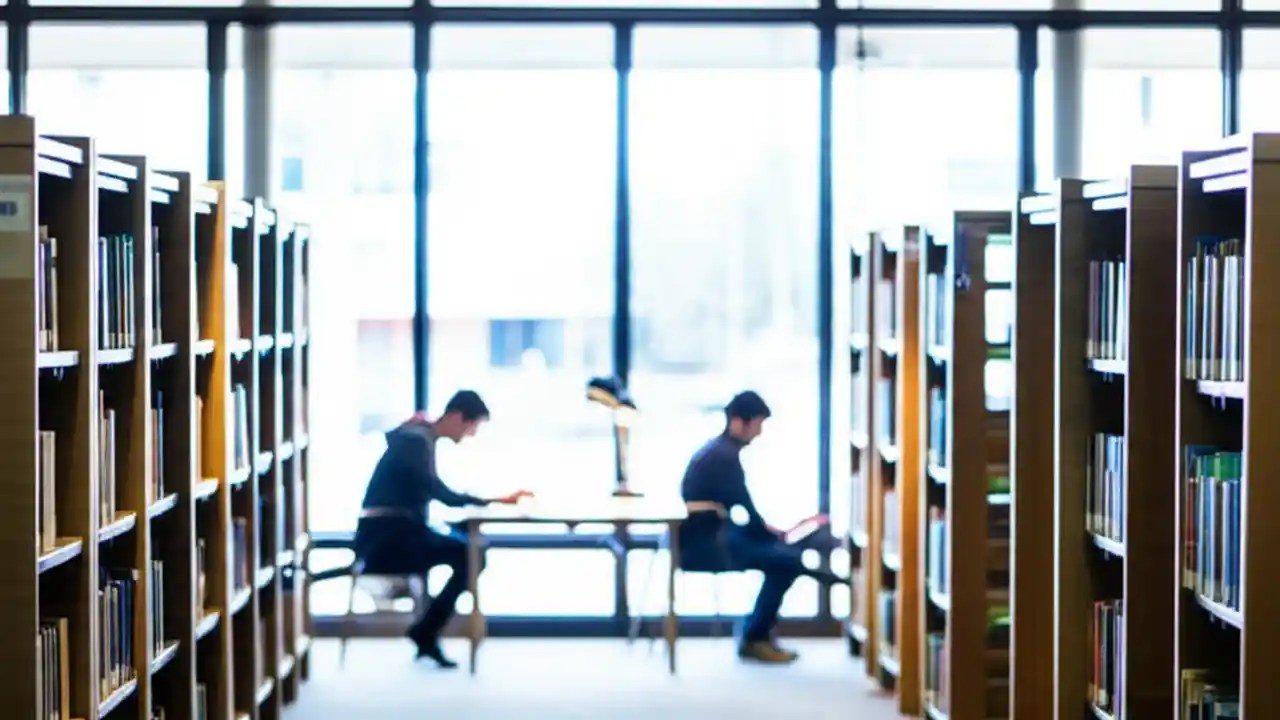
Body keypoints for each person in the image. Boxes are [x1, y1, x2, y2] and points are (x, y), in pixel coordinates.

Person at [353, 390, 531, 668]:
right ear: (457, 417)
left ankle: (426, 629)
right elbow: (437, 491)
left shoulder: (417, 437)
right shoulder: (416, 440)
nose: (471, 435)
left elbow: (424, 490)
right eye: (472, 426)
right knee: (470, 554)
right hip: (387, 541)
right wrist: (494, 500)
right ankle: (426, 631)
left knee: (466, 548)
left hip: (392, 532)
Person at [679, 390, 847, 664]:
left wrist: (769, 534)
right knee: (786, 562)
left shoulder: (716, 451)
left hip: (712, 534)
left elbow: (741, 509)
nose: (758, 433)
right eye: (757, 424)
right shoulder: (724, 456)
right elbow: (744, 506)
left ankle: (755, 632)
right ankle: (754, 637)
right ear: (738, 421)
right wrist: (771, 536)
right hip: (708, 544)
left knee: (784, 556)